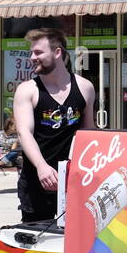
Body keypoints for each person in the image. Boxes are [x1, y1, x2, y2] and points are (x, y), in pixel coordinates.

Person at [13, 27, 95, 223]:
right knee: (39, 246)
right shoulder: (27, 90)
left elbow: (88, 132)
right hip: (37, 183)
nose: (32, 57)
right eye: (31, 52)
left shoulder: (85, 87)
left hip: (74, 183)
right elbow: (24, 132)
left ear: (57, 52)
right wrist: (42, 167)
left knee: (74, 244)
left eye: (38, 52)